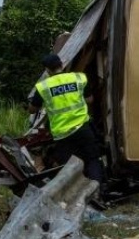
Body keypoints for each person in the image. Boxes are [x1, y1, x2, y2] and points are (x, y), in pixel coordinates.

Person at [29, 53, 105, 188]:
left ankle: (72, 193)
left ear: (47, 70)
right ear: (61, 65)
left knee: (67, 166)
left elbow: (32, 109)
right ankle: (96, 190)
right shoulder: (78, 78)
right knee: (92, 159)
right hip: (83, 128)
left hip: (62, 134)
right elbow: (90, 99)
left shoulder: (43, 87)